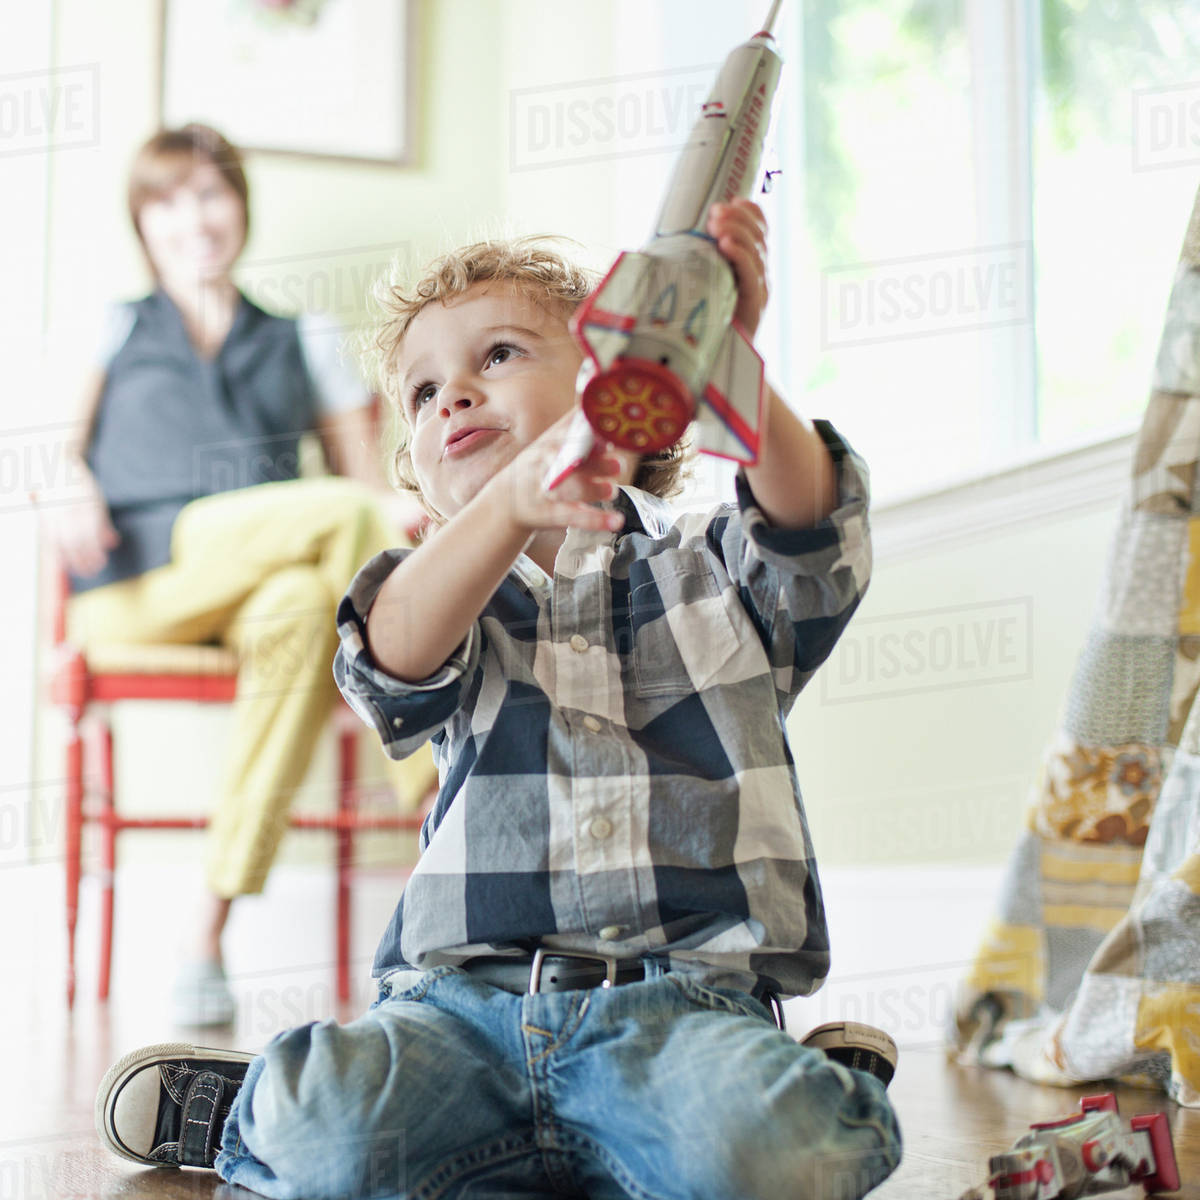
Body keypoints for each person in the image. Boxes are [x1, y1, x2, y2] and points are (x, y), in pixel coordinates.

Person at [94, 201, 902, 1198]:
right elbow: (392, 648)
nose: (452, 397)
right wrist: (511, 504)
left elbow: (813, 532)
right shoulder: (443, 586)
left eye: (500, 355)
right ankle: (259, 1107)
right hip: (458, 1020)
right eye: (425, 390)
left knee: (765, 1157)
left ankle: (800, 1087)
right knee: (328, 1136)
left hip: (683, 1018)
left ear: (610, 383)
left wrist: (733, 371)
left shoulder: (712, 569)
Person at [45, 124, 434, 1026]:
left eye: (212, 194)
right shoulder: (115, 327)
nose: (195, 219)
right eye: (169, 200)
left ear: (241, 209)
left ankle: (205, 933)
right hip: (137, 583)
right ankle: (435, 779)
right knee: (338, 511)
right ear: (143, 222)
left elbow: (369, 482)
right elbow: (359, 510)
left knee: (304, 603)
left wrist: (385, 506)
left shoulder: (304, 337)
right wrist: (63, 480)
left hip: (265, 583)